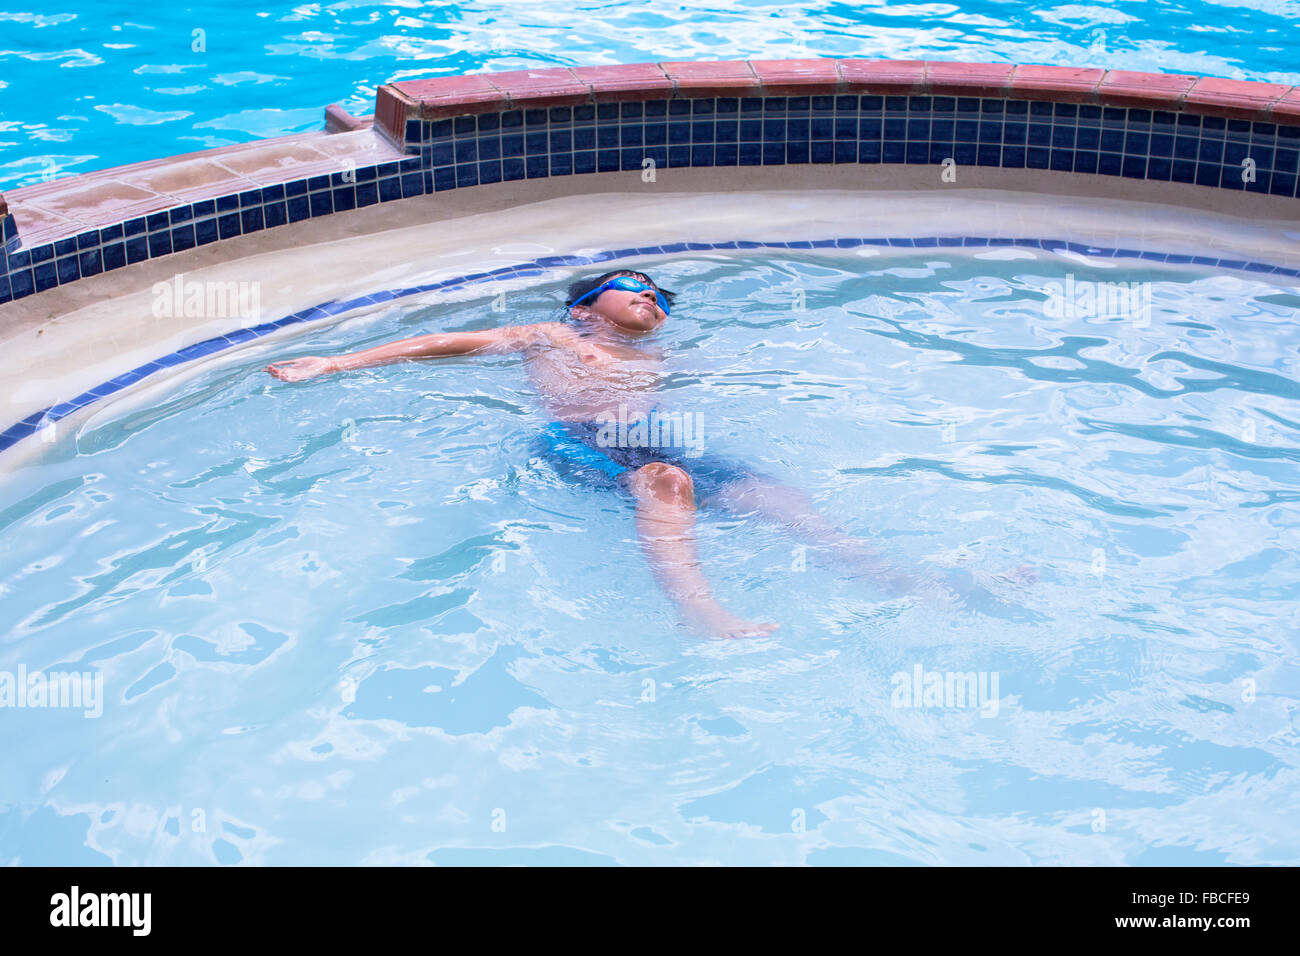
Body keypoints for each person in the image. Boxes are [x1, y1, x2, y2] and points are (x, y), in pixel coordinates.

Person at [265, 269, 1031, 638]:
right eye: (634, 287)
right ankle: (696, 609)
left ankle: (918, 583)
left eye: (663, 297)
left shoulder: (665, 358)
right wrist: (333, 365)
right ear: (582, 304)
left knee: (784, 501)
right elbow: (441, 343)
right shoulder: (553, 337)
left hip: (662, 440)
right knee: (663, 482)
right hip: (580, 444)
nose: (653, 299)